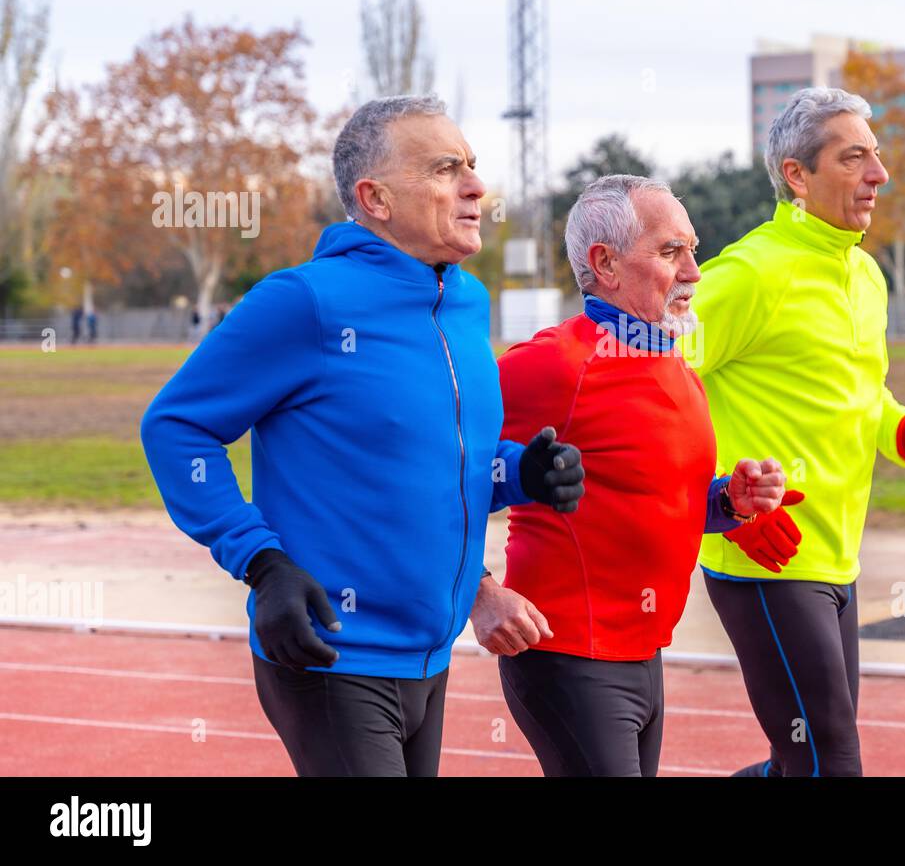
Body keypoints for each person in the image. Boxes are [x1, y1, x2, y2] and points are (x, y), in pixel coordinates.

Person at [140, 95, 585, 776]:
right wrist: (263, 563)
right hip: (333, 650)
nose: (475, 186)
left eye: (472, 165)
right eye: (445, 170)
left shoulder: (465, 302)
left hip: (430, 653)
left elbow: (430, 459)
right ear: (374, 198)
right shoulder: (305, 301)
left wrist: (519, 473)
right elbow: (177, 427)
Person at [681, 87, 905, 777]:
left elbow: (861, 398)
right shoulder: (749, 273)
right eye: (854, 157)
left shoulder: (865, 276)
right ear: (797, 176)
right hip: (766, 559)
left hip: (836, 558)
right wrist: (721, 508)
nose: (878, 174)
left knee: (804, 763)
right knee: (829, 762)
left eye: (876, 156)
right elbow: (649, 386)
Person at [470, 174, 792, 776]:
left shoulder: (677, 366)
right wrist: (477, 591)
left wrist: (730, 502)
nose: (695, 271)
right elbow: (428, 480)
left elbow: (659, 502)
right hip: (567, 657)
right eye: (671, 252)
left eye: (692, 249)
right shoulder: (550, 364)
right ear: (606, 264)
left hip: (645, 655)